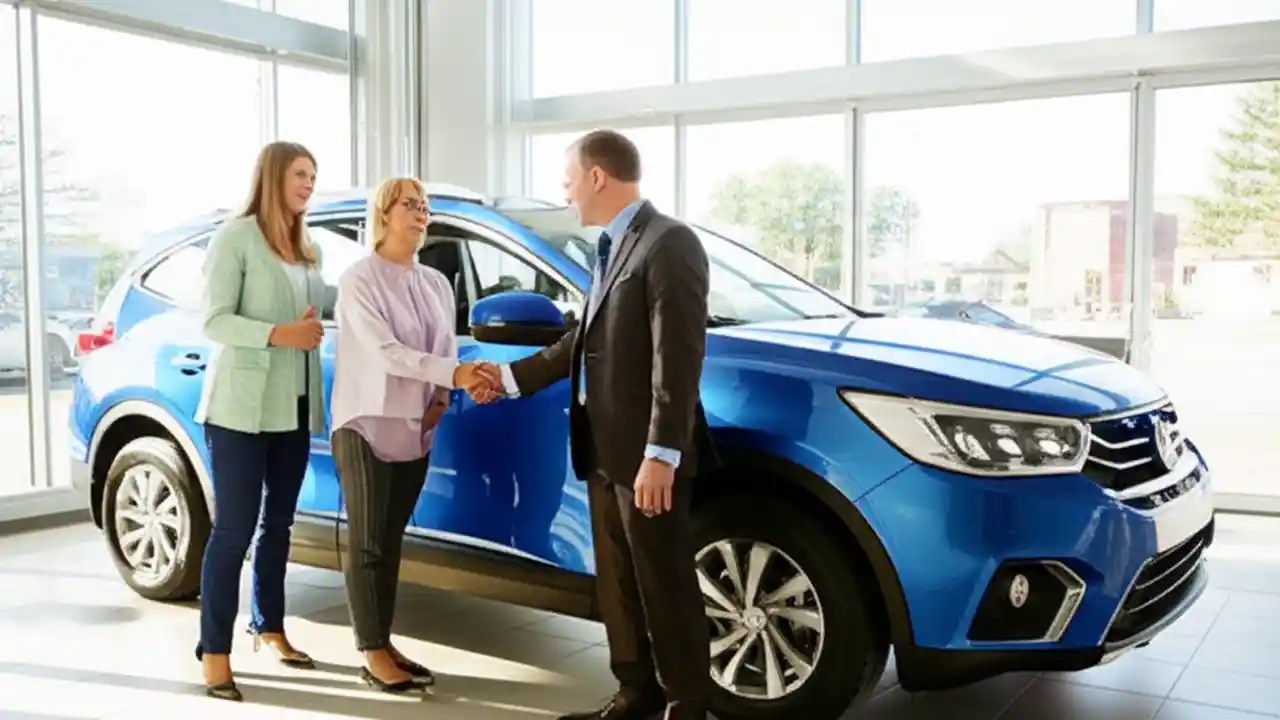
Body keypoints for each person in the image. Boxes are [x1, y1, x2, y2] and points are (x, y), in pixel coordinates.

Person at [471, 129, 717, 720]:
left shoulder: (669, 243)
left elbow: (677, 361)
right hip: (605, 450)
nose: (568, 194)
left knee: (665, 587)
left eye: (569, 181)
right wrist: (506, 380)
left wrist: (662, 452)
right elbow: (580, 344)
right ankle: (635, 694)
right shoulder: (613, 248)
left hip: (646, 457)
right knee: (619, 587)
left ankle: (687, 703)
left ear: (598, 176)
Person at [329, 176, 502, 693]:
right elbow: (385, 352)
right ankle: (370, 650)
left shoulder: (435, 282)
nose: (421, 213)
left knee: (390, 540)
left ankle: (382, 640)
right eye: (409, 205)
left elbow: (445, 345)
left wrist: (443, 398)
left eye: (424, 206)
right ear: (383, 214)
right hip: (364, 422)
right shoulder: (359, 279)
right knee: (366, 543)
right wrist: (454, 377)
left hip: (416, 425)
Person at [193, 141, 327, 702]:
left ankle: (269, 624)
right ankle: (214, 651)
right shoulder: (236, 236)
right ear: (273, 175)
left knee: (280, 527)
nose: (309, 185)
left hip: (291, 408)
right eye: (301, 174)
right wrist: (278, 334)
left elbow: (312, 326)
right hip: (239, 412)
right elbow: (214, 320)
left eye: (314, 177)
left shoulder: (309, 247)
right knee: (234, 531)